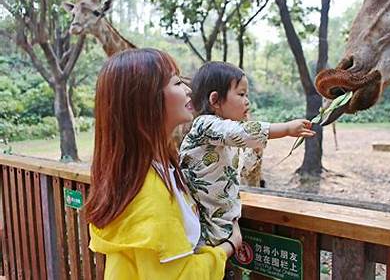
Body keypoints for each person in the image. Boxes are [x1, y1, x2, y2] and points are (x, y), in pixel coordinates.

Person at [86, 49, 241, 279]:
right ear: (146, 100)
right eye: (177, 83)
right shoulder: (149, 194)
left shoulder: (150, 169)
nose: (188, 90)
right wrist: (228, 246)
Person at [180, 61, 315, 247]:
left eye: (247, 95)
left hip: (220, 226)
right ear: (215, 100)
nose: (247, 101)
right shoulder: (204, 125)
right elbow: (241, 133)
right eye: (241, 94)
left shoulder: (228, 140)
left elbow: (241, 166)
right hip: (199, 228)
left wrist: (255, 150)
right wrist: (286, 128)